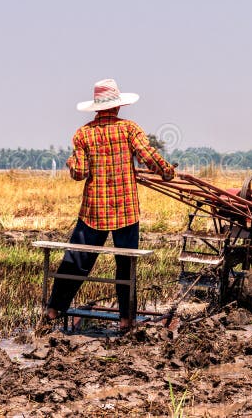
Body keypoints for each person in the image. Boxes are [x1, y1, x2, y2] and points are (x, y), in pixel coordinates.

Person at [40, 78, 175, 333]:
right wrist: (167, 171)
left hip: (94, 211)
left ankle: (53, 309)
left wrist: (71, 162)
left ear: (96, 108)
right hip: (126, 211)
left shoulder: (83, 134)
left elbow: (80, 172)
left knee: (77, 260)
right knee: (126, 265)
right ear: (118, 107)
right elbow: (149, 157)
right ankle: (125, 320)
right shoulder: (129, 129)